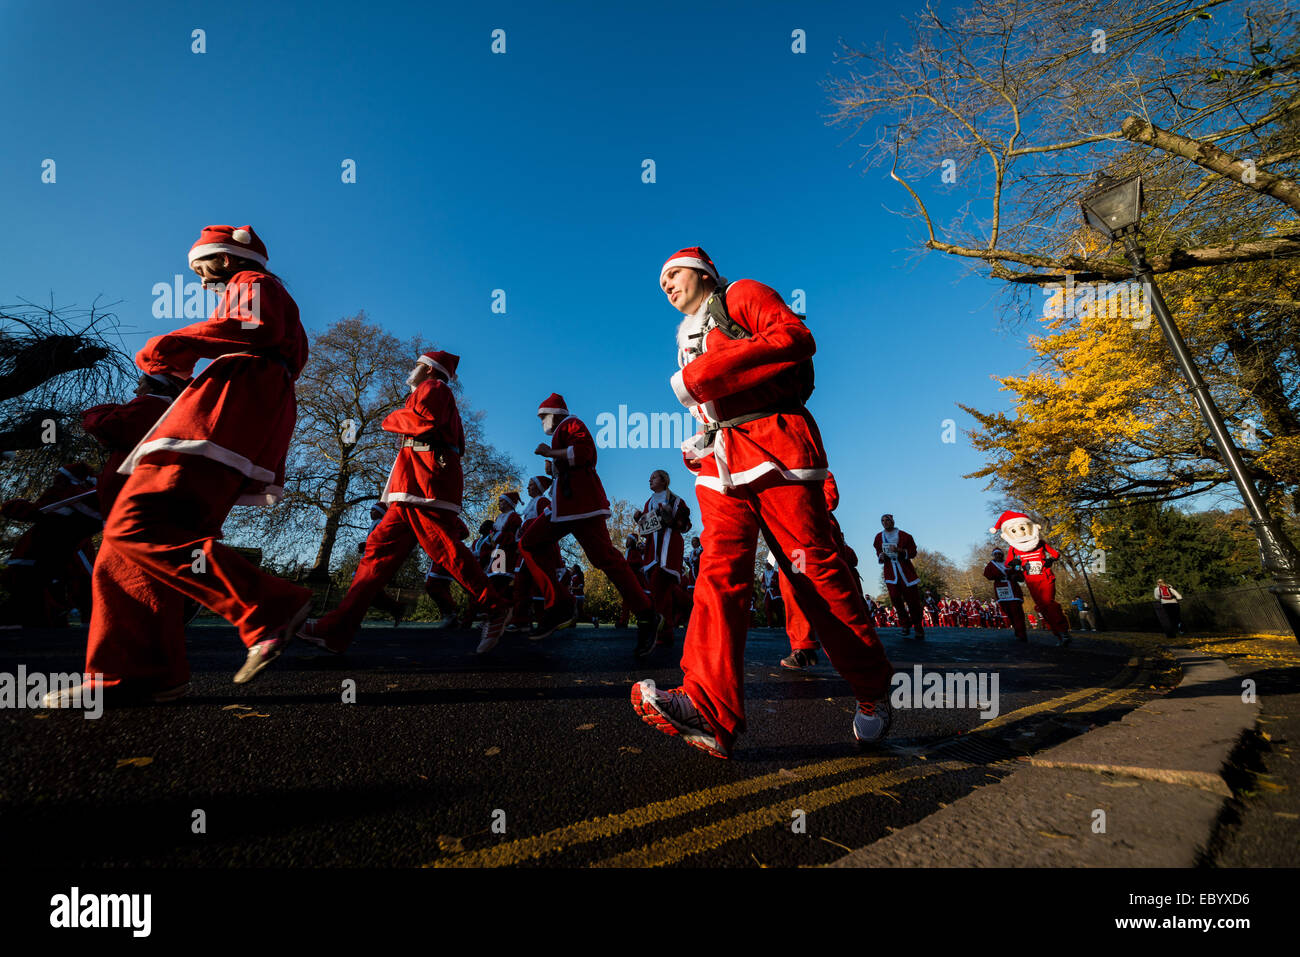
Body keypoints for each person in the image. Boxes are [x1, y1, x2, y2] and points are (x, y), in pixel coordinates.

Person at [632, 246, 894, 759]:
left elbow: (795, 338)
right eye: (661, 281)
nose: (666, 285)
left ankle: (871, 688)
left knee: (816, 572)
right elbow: (710, 397)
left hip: (775, 443)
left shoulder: (741, 293)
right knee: (718, 572)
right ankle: (708, 708)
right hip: (722, 456)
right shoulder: (684, 332)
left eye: (674, 274)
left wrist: (699, 377)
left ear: (703, 273)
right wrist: (698, 434)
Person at [45, 225, 314, 706]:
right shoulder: (255, 308)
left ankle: (267, 604)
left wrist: (173, 341)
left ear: (227, 258)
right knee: (123, 555)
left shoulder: (254, 284)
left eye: (201, 266)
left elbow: (254, 327)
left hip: (224, 410)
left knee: (135, 525)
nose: (198, 277)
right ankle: (138, 673)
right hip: (242, 407)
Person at [298, 350, 512, 656]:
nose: (413, 369)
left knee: (444, 549)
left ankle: (495, 607)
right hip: (416, 482)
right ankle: (336, 629)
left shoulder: (433, 388)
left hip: (425, 482)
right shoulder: (431, 392)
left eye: (417, 364)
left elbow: (423, 422)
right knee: (377, 555)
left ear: (427, 368)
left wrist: (391, 417)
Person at [519, 394, 662, 649]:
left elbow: (585, 452)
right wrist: (555, 465)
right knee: (529, 542)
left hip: (582, 504)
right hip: (563, 506)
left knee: (606, 559)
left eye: (544, 416)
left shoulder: (572, 423)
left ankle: (646, 612)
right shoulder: (563, 430)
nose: (541, 421)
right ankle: (561, 603)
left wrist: (551, 452)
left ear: (557, 413)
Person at [991, 510, 1072, 647]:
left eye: (1023, 528)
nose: (1021, 533)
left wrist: (1051, 560)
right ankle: (1058, 634)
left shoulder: (1039, 543)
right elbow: (1008, 563)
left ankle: (1063, 630)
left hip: (1045, 577)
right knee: (1041, 607)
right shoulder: (1014, 548)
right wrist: (1015, 565)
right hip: (1031, 581)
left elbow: (1055, 554)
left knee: (1048, 603)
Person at [634, 469, 690, 650]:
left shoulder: (676, 501)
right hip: (652, 551)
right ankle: (676, 621)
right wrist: (639, 520)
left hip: (669, 549)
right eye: (649, 478)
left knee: (661, 588)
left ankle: (664, 630)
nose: (649, 479)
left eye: (654, 477)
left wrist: (670, 517)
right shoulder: (648, 502)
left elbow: (684, 525)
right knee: (662, 591)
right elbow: (645, 529)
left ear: (664, 480)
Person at [873, 514, 925, 640]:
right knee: (896, 599)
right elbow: (878, 552)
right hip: (891, 572)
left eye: (887, 520)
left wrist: (900, 551)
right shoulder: (879, 537)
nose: (885, 522)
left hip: (905, 572)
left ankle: (918, 627)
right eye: (882, 521)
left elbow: (913, 552)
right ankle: (905, 625)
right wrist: (881, 556)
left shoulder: (905, 536)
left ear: (892, 521)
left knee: (913, 601)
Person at [983, 547, 1027, 642]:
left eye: (1000, 554)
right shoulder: (991, 565)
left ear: (1002, 555)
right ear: (993, 555)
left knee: (1017, 612)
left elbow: (1019, 571)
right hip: (1002, 591)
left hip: (1014, 590)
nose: (998, 556)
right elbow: (987, 575)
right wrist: (997, 576)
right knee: (1008, 612)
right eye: (996, 554)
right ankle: (1017, 628)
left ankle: (1022, 633)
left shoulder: (1009, 563)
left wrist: (1017, 575)